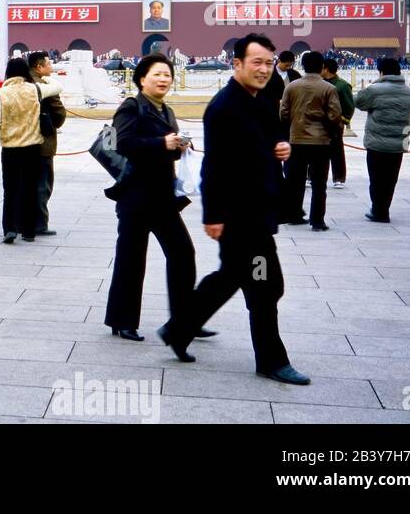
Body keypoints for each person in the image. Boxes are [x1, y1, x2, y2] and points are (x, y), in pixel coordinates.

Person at [159, 33, 311, 386]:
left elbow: (267, 142)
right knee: (264, 287)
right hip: (241, 218)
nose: (263, 69)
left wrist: (281, 148)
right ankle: (272, 360)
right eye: (256, 62)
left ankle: (178, 328)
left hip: (259, 211)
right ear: (237, 64)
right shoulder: (223, 107)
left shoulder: (260, 100)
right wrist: (212, 215)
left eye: (268, 63)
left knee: (230, 277)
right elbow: (215, 167)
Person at [104, 54, 203, 342]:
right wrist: (162, 142)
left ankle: (185, 319)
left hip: (163, 197)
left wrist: (180, 146)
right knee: (132, 259)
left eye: (167, 75)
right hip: (135, 196)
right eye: (157, 74)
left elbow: (167, 150)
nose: (163, 79)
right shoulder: (131, 107)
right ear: (142, 78)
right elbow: (121, 143)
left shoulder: (166, 111)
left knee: (183, 254)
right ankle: (122, 321)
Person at [0, 57, 62, 244]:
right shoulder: (34, 89)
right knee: (29, 188)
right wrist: (45, 78)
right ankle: (29, 231)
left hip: (9, 148)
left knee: (10, 190)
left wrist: (3, 134)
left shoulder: (2, 92)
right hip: (32, 147)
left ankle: (10, 229)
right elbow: (57, 87)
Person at [280, 52, 342, 231]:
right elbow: (335, 115)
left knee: (295, 181)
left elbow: (283, 113)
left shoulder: (292, 87)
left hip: (296, 140)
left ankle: (293, 215)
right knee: (319, 184)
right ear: (321, 66)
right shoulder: (328, 89)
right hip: (320, 142)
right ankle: (317, 221)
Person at [356, 58, 410, 223]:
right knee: (391, 179)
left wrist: (376, 83)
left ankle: (378, 210)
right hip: (398, 144)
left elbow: (358, 102)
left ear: (381, 71)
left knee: (376, 178)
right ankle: (384, 209)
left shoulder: (375, 90)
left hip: (376, 143)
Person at [26, 51, 67, 236]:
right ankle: (40, 223)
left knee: (26, 184)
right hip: (43, 143)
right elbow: (59, 116)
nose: (51, 67)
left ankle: (22, 222)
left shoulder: (20, 84)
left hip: (22, 143)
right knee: (43, 185)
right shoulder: (45, 86)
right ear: (39, 67)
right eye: (48, 64)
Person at [321, 58, 355, 189]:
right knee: (316, 152)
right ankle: (312, 176)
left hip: (335, 124)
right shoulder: (320, 83)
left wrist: (342, 121)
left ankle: (339, 178)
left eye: (322, 68)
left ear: (327, 69)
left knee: (336, 151)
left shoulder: (342, 85)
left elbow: (349, 107)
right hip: (319, 123)